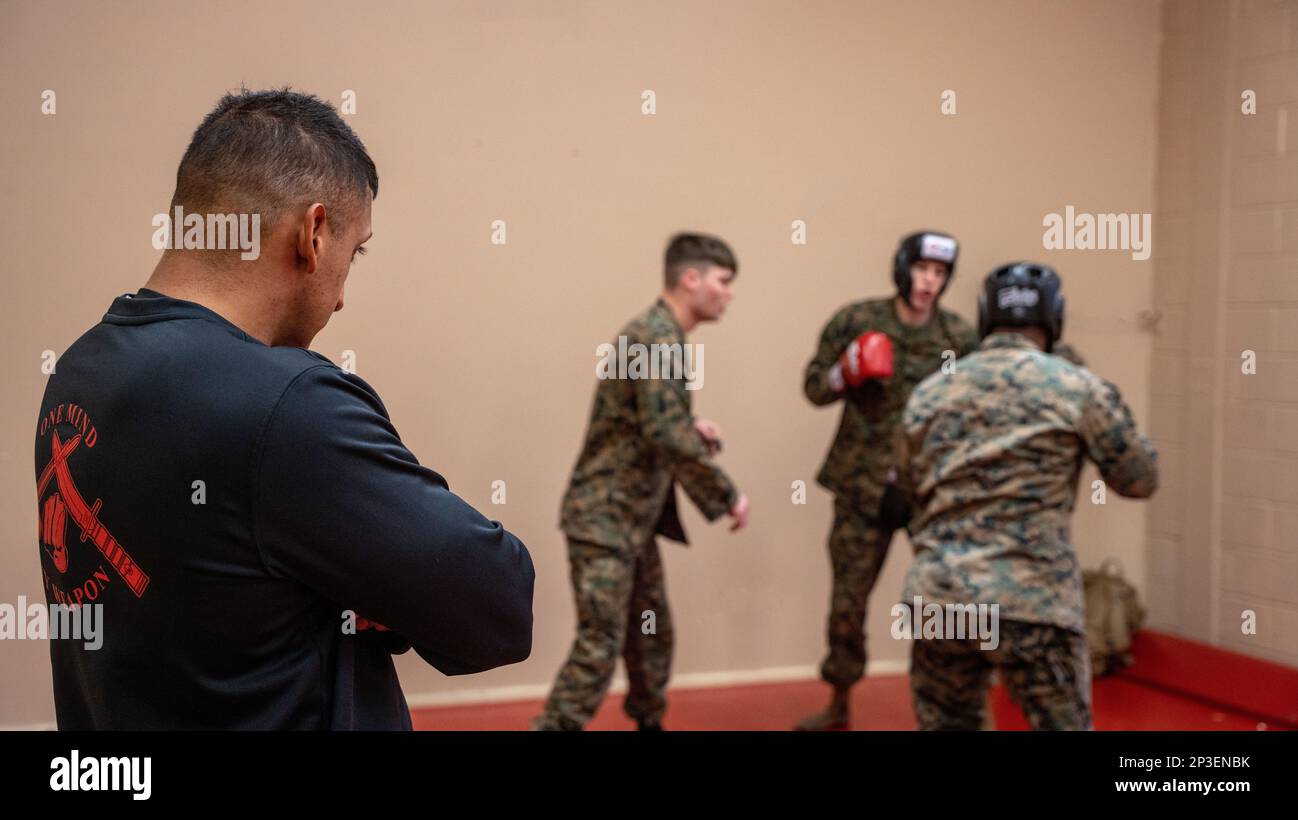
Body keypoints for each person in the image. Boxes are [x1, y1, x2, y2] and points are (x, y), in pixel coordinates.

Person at [33, 88, 535, 730]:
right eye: (354, 253)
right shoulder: (288, 404)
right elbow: (498, 606)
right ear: (314, 233)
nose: (343, 298)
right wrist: (375, 591)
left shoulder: (77, 371)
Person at [895, 262, 1158, 730]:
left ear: (983, 315)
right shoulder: (1077, 387)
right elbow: (1139, 480)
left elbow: (908, 488)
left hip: (942, 598)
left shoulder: (930, 392)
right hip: (1033, 602)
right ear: (1054, 317)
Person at [532, 233, 750, 731]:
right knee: (599, 646)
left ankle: (650, 722)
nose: (729, 293)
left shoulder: (660, 335)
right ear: (691, 279)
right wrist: (727, 495)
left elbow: (654, 422)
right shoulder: (655, 339)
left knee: (651, 638)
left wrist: (690, 427)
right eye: (723, 281)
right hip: (604, 520)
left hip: (633, 520)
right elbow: (664, 433)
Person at [797, 231, 979, 730]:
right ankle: (838, 703)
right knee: (847, 603)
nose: (928, 282)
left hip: (929, 493)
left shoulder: (959, 338)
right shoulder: (857, 321)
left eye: (939, 274)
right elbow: (813, 388)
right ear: (903, 270)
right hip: (862, 488)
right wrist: (845, 372)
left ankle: (948, 711)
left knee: (945, 599)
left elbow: (976, 409)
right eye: (922, 270)